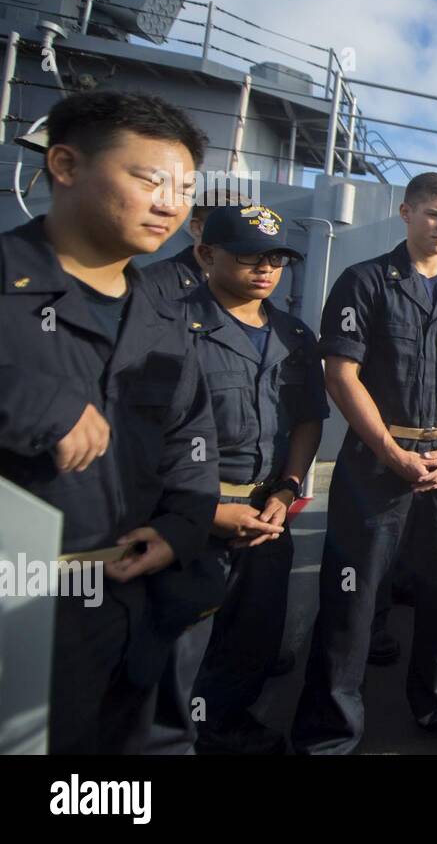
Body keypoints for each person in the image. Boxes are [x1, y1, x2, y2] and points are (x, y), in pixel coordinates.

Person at [0, 90, 218, 753]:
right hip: (21, 611)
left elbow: (191, 437)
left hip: (137, 603)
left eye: (183, 186)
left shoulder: (162, 311)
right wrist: (30, 401)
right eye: (148, 178)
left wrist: (181, 528)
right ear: (64, 165)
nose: (169, 202)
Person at [291, 172, 437, 755]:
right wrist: (390, 450)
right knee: (352, 597)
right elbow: (340, 372)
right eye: (433, 214)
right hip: (377, 465)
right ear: (405, 214)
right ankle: (330, 729)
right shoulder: (365, 283)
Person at [152, 204, 327, 755]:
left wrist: (288, 487)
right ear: (206, 255)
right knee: (180, 646)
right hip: (192, 518)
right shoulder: (171, 325)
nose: (265, 268)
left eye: (275, 258)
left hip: (268, 514)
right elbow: (142, 435)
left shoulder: (294, 334)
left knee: (255, 632)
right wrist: (206, 511)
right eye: (250, 256)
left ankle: (225, 722)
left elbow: (306, 418)